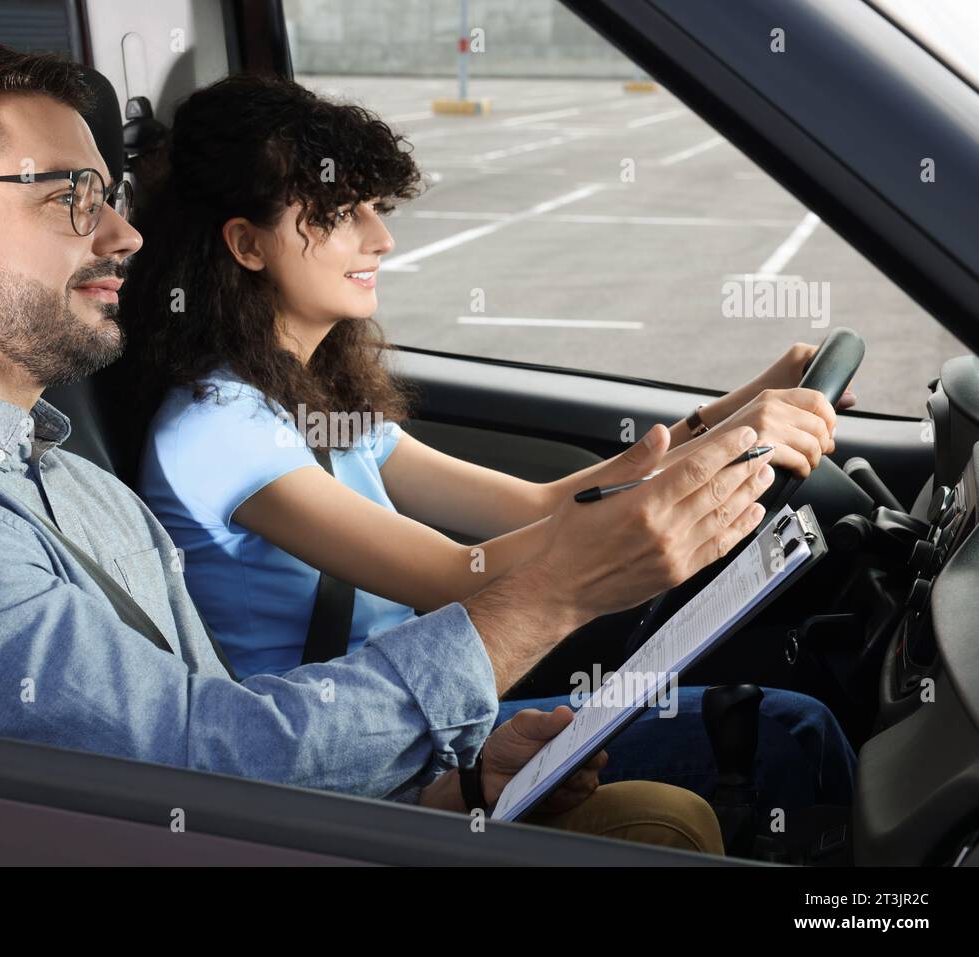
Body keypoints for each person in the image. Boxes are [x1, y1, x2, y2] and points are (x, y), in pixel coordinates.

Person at [0, 40, 751, 852]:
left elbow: (213, 729)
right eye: (66, 199)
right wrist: (548, 600)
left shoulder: (59, 475)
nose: (122, 234)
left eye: (110, 196)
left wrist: (452, 784)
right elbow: (189, 775)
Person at [119, 73, 856, 815]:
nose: (382, 237)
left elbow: (534, 505)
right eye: (343, 214)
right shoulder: (216, 429)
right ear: (247, 244)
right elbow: (451, 577)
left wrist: (736, 414)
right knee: (793, 734)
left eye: (376, 208)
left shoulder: (314, 399)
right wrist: (679, 487)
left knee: (788, 725)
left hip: (424, 724)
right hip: (345, 768)